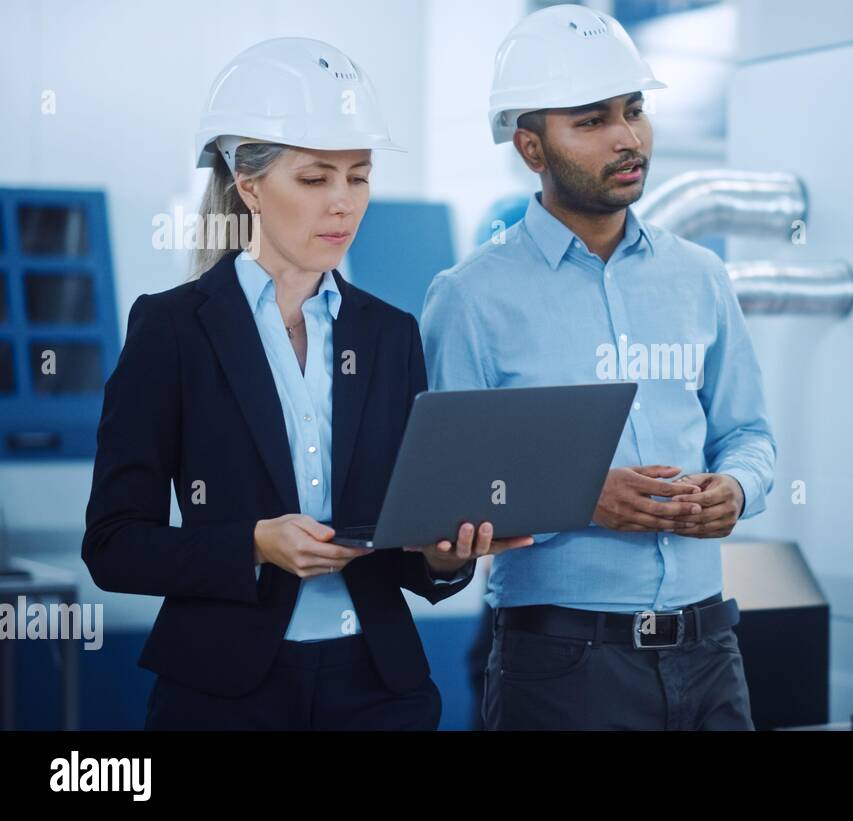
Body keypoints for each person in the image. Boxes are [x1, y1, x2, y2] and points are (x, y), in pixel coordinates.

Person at [82, 37, 530, 731]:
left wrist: (445, 557)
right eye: (316, 178)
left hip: (379, 690)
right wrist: (254, 544)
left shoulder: (389, 334)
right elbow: (113, 543)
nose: (343, 204)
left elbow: (408, 546)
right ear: (249, 182)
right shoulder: (172, 331)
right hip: (226, 695)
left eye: (359, 177)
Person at [421, 6, 776, 730]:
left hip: (710, 652)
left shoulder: (702, 277)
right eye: (591, 121)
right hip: (562, 668)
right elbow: (447, 497)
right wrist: (582, 498)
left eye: (634, 110)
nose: (627, 137)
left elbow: (749, 432)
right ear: (531, 147)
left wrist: (736, 489)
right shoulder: (470, 298)